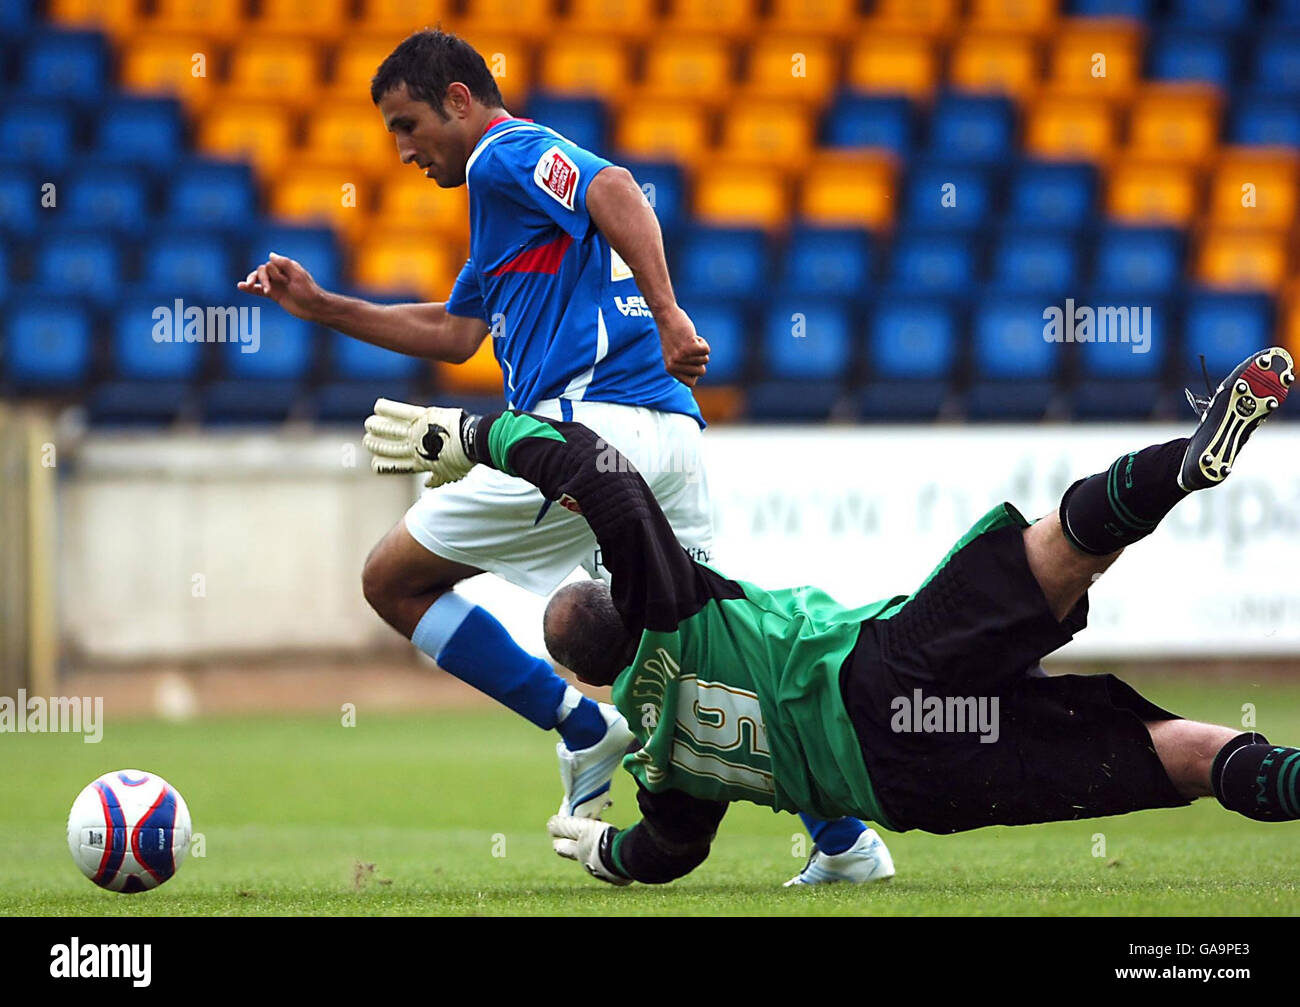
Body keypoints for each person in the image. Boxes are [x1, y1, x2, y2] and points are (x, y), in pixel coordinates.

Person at [238, 28, 882, 883]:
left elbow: (614, 185)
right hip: (671, 437)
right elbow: (456, 331)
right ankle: (844, 841)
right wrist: (324, 307)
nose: (401, 149)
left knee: (393, 581)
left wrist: (671, 314)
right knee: (708, 647)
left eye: (407, 124)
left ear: (459, 100)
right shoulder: (501, 210)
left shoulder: (503, 155)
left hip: (583, 437)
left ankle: (579, 725)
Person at [362, 347, 1299, 885]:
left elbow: (671, 852)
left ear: (595, 682)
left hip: (915, 785)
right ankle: (1185, 464)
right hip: (885, 670)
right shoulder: (672, 600)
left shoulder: (658, 757)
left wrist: (605, 852)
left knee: (1170, 754)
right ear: (620, 600)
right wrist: (471, 434)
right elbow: (595, 470)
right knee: (1057, 550)